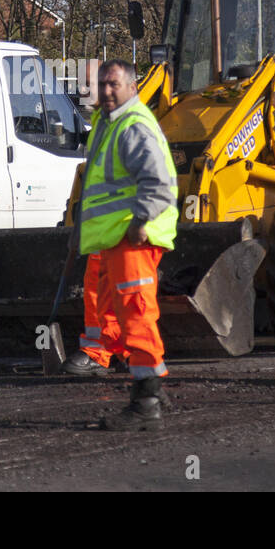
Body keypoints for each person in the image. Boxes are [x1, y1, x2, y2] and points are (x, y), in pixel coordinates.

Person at [60, 59, 178, 431]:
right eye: (102, 85)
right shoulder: (106, 127)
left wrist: (141, 222)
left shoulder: (133, 126)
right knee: (128, 316)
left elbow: (158, 183)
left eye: (114, 84)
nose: (107, 91)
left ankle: (146, 403)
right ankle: (154, 393)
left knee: (137, 315)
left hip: (133, 239)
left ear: (132, 87)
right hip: (115, 240)